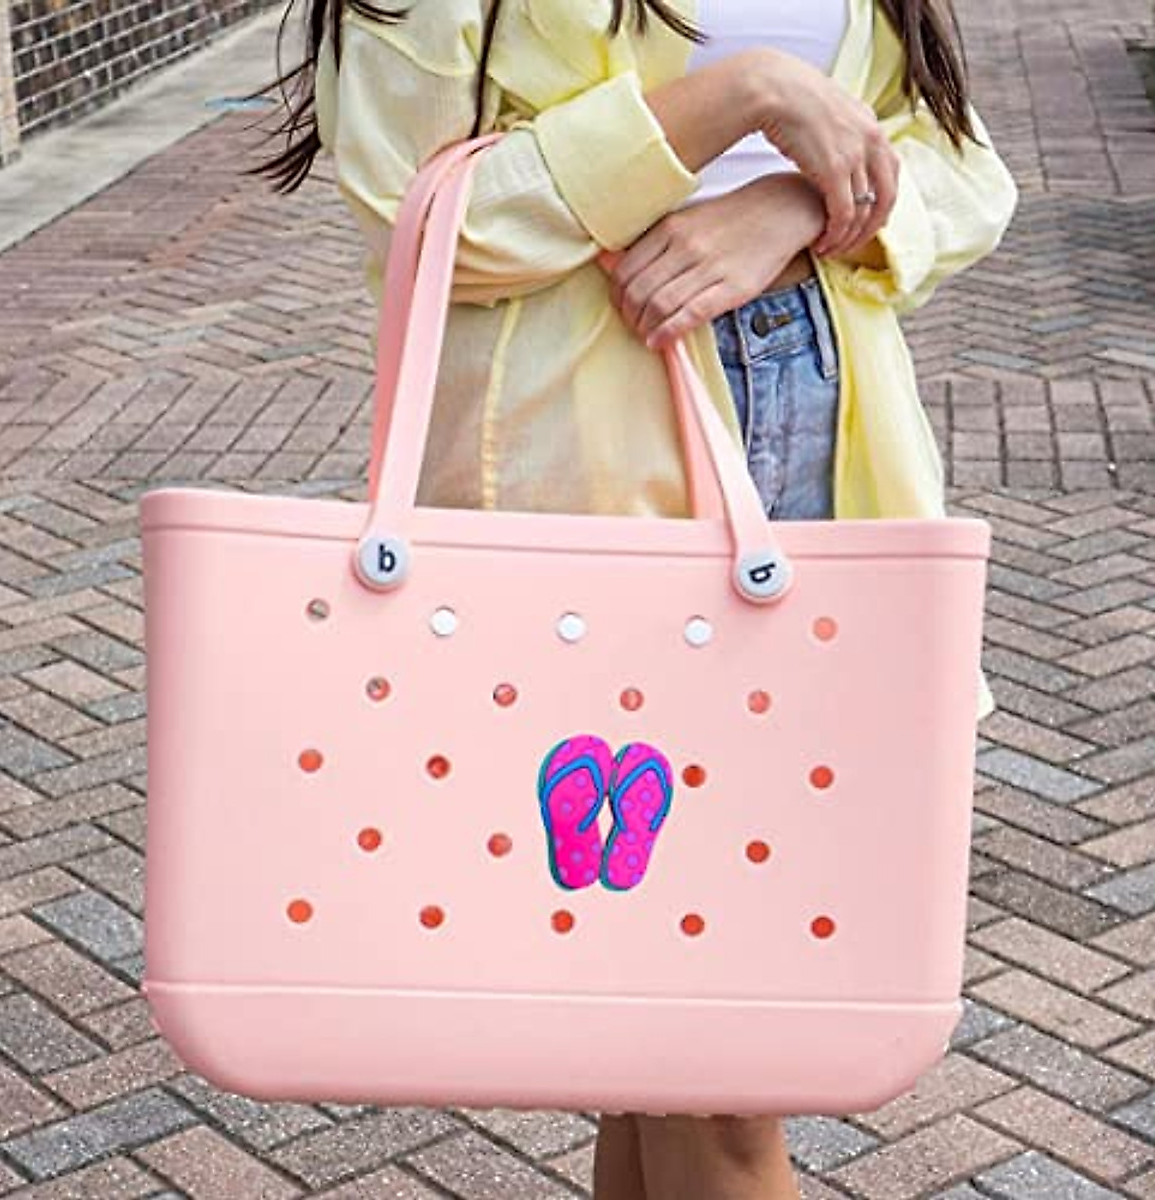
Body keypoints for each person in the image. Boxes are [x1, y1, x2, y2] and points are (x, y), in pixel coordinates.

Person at [259, 0, 1017, 1195]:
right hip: (592, 482)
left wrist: (797, 207)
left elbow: (965, 168)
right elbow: (431, 217)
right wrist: (739, 97)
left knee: (661, 1055)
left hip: (829, 466)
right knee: (722, 1085)